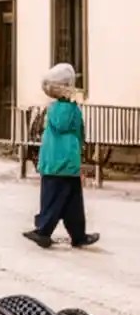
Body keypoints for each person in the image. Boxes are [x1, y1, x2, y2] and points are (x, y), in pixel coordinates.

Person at [23, 64, 100, 249]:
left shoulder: (51, 110)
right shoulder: (73, 110)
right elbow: (80, 133)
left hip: (51, 162)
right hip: (69, 162)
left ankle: (75, 234)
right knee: (70, 201)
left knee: (53, 198)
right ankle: (47, 232)